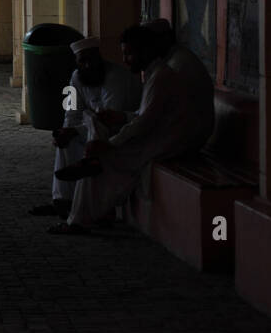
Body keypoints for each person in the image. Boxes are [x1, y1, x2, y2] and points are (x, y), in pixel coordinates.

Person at [50, 25, 200, 234]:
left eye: (129, 53)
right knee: (85, 133)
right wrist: (117, 119)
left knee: (101, 160)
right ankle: (68, 203)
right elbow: (140, 115)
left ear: (145, 51)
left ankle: (81, 219)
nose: (126, 59)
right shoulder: (152, 75)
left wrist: (109, 144)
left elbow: (144, 122)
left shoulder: (156, 77)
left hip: (166, 140)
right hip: (147, 134)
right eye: (124, 54)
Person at [29, 37, 141, 219]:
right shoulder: (75, 78)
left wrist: (75, 130)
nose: (88, 65)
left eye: (92, 59)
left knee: (90, 133)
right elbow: (71, 113)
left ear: (100, 58)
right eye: (83, 61)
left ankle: (87, 208)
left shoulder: (116, 77)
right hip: (94, 131)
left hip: (121, 133)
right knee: (65, 142)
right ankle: (62, 201)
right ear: (77, 62)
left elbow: (110, 118)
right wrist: (65, 132)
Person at [142, 18, 215, 149]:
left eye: (149, 42)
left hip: (190, 136)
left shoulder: (175, 65)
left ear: (165, 38)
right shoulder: (176, 58)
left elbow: (151, 115)